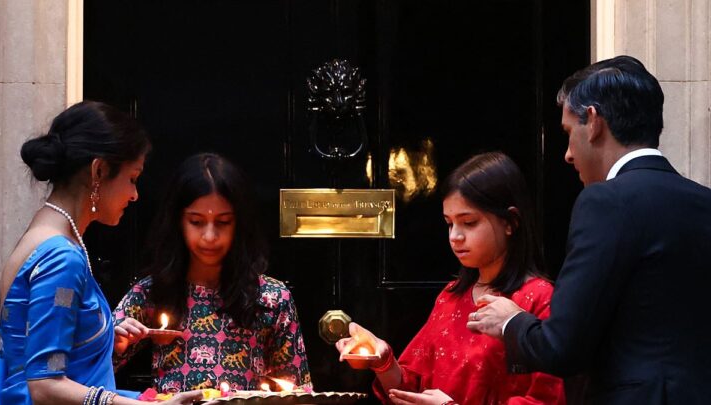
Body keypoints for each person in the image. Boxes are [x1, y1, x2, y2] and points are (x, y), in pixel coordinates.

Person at [467, 55, 711, 404]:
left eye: (569, 132)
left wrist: (512, 321)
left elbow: (563, 346)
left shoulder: (605, 202)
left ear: (594, 122)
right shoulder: (704, 201)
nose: (567, 154)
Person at [0, 101, 205, 405]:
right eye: (132, 178)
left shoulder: (42, 238)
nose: (135, 195)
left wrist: (102, 338)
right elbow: (45, 385)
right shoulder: (61, 257)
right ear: (99, 170)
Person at [336, 152, 566, 405]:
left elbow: (547, 399)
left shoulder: (540, 298)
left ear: (510, 222)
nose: (455, 236)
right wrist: (382, 360)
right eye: (449, 223)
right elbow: (410, 389)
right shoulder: (452, 295)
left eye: (469, 222)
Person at [113, 153, 312, 393]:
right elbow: (86, 373)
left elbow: (298, 392)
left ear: (239, 224)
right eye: (196, 222)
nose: (209, 236)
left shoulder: (272, 298)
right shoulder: (152, 292)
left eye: (223, 222)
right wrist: (116, 344)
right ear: (178, 222)